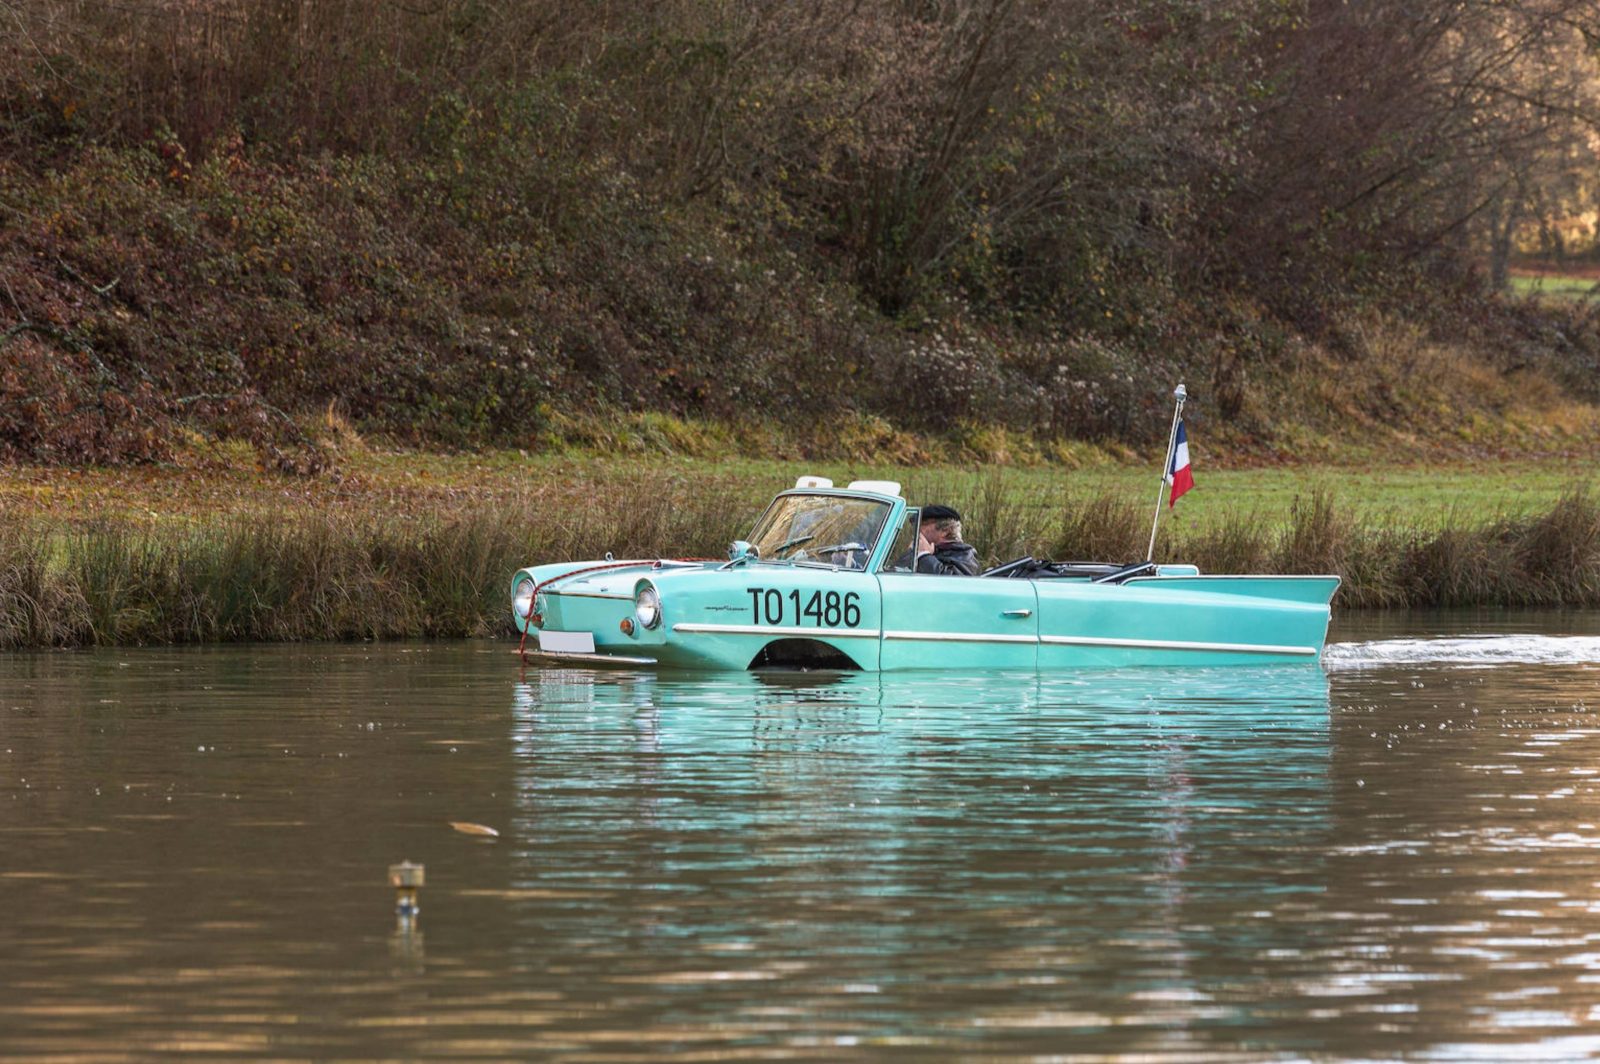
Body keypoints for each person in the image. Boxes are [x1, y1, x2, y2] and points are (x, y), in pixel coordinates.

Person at [908, 504, 978, 575]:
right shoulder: (927, 551)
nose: (917, 531)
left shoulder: (965, 556)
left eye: (923, 524)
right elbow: (899, 573)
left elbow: (952, 583)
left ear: (945, 530)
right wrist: (910, 554)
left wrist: (924, 555)